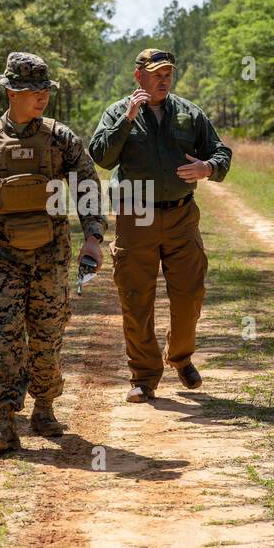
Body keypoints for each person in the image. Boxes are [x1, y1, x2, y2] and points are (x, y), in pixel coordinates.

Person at [0, 52, 106, 451]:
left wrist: (93, 236)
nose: (42, 98)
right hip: (2, 259)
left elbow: (87, 187)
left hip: (50, 259)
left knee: (47, 337)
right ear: (11, 92)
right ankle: (3, 420)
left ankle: (45, 408)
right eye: (34, 91)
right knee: (5, 339)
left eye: (45, 91)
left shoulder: (60, 138)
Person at [88, 48, 232, 403]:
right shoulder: (118, 111)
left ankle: (180, 357)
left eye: (168, 73)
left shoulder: (189, 113)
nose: (164, 79)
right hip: (136, 215)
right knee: (136, 296)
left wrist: (207, 168)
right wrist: (127, 118)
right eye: (156, 73)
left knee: (189, 293)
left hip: (181, 214)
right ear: (138, 76)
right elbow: (101, 156)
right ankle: (143, 376)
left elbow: (221, 152)